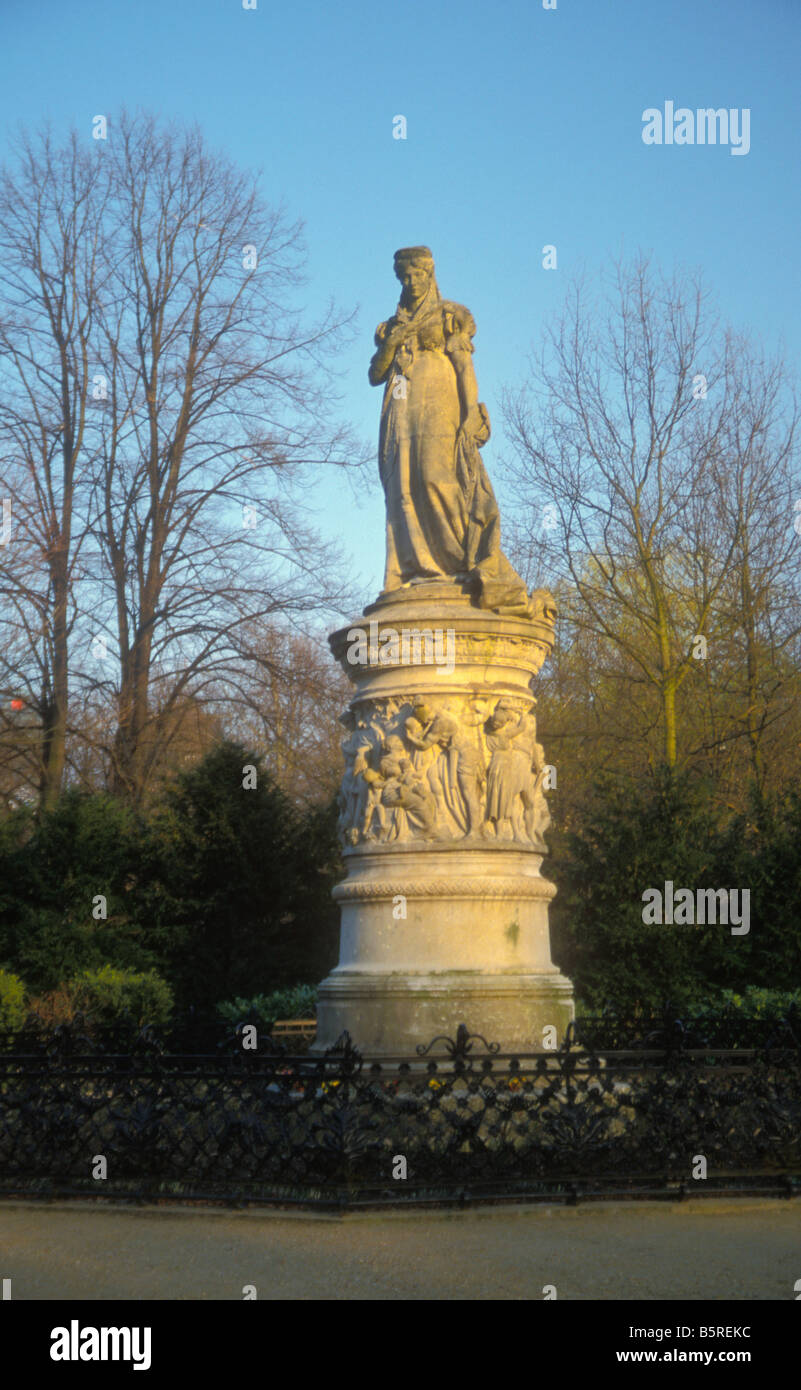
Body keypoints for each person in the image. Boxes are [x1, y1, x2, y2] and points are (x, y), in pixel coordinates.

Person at [369, 246, 540, 618]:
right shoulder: (391, 326)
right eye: (404, 276)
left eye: (417, 274)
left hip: (439, 400)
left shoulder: (449, 316)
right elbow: (375, 374)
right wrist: (394, 341)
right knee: (402, 486)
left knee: (436, 477)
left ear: (430, 275)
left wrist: (469, 413)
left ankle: (460, 564)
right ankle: (412, 569)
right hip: (401, 406)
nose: (411, 282)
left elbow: (463, 365)